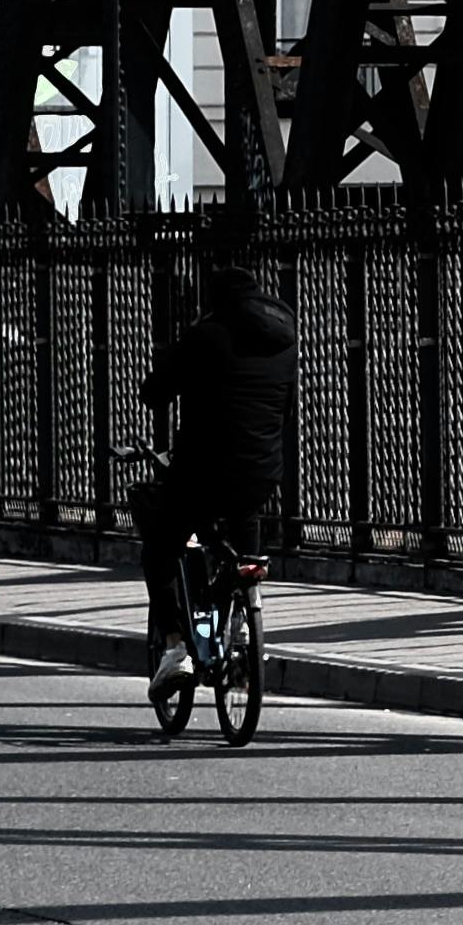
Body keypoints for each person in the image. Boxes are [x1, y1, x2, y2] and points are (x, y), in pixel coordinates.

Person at [135, 210, 295, 664]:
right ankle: (242, 618)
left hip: (203, 471)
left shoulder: (206, 335)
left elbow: (154, 392)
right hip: (263, 469)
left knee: (161, 549)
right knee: (243, 536)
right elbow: (286, 407)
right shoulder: (285, 342)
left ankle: (174, 646)